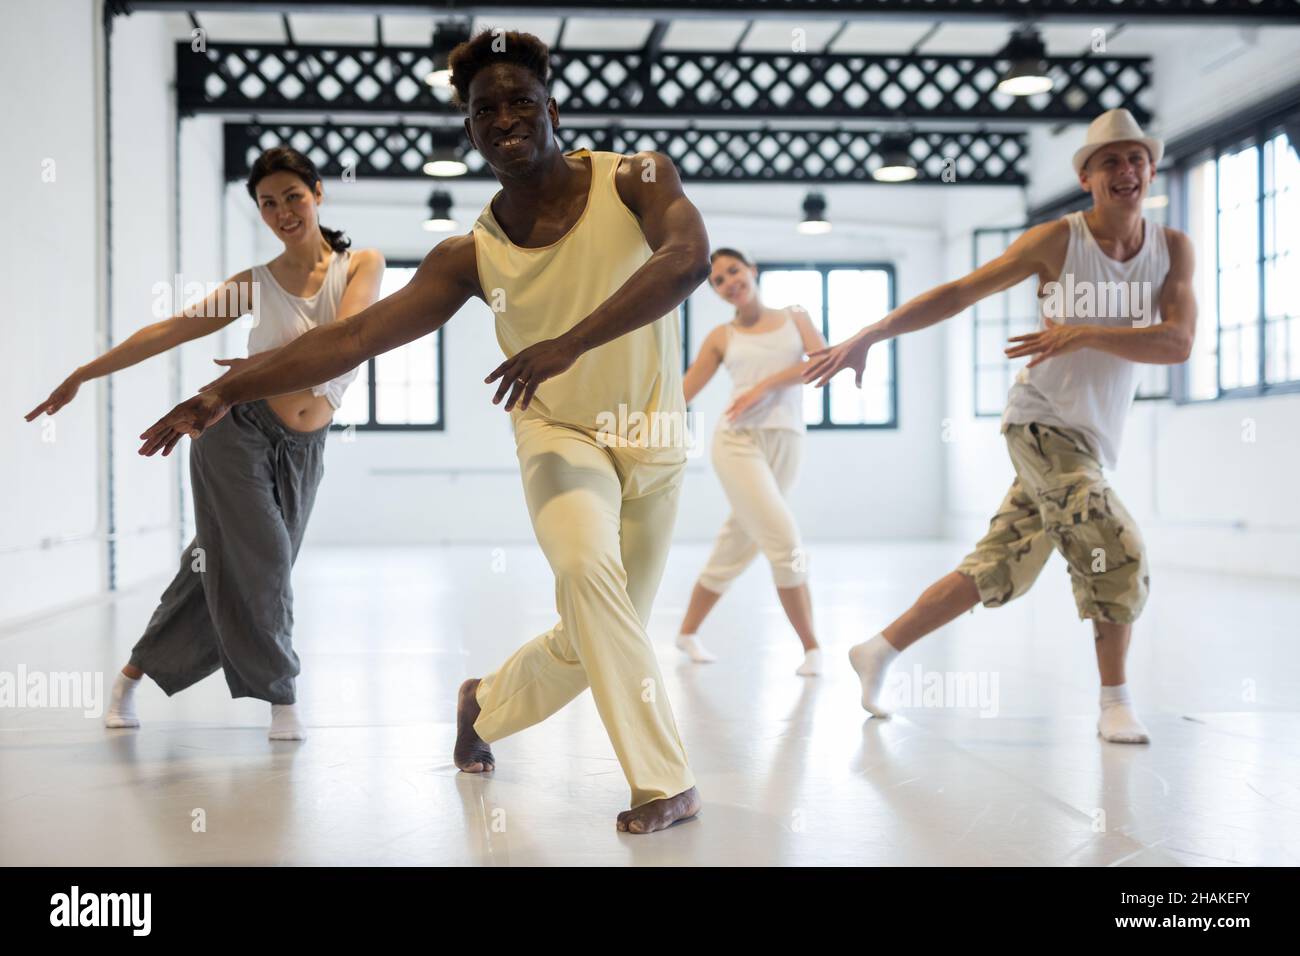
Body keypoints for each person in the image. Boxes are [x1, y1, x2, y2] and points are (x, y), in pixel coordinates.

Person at [136, 31, 708, 833]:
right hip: (559, 437)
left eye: (518, 100)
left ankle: (482, 705)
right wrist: (225, 390)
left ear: (553, 107)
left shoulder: (637, 177)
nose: (504, 117)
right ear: (469, 130)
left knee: (597, 637)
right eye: (484, 110)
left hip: (655, 441)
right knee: (588, 576)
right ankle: (664, 782)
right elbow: (350, 339)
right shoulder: (470, 253)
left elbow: (686, 259)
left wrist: (571, 339)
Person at [805, 109, 1196, 743]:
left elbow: (1177, 343)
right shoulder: (1056, 240)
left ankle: (878, 649)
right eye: (1110, 162)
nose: (1126, 171)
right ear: (1086, 176)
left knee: (998, 566)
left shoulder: (1172, 248)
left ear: (1150, 169)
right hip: (1040, 425)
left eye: (1136, 160)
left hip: (1094, 439)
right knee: (1116, 549)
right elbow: (960, 292)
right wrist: (870, 332)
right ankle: (1115, 702)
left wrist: (1086, 332)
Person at [27, 146, 385, 740]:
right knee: (265, 559)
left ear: (318, 193)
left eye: (292, 197)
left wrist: (261, 358)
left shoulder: (362, 264)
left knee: (213, 566)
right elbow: (171, 328)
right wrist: (83, 374)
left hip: (305, 447)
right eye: (267, 204)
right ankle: (282, 698)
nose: (282, 212)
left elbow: (347, 336)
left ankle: (129, 678)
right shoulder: (256, 283)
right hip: (235, 432)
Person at [675, 247, 827, 675]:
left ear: (752, 270)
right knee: (784, 540)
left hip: (787, 440)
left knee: (737, 540)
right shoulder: (722, 337)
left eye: (733, 271)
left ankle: (686, 633)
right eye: (718, 280)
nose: (729, 282)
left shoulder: (795, 314)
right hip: (736, 442)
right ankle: (813, 648)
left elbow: (821, 362)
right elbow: (682, 393)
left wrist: (764, 387)